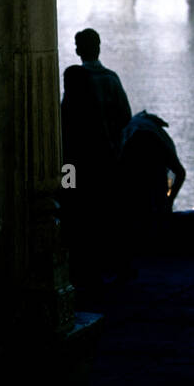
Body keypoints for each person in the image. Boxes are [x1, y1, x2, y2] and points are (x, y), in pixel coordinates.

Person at [60, 29, 132, 284]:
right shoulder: (110, 79)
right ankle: (112, 266)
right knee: (108, 212)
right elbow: (125, 117)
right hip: (108, 156)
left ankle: (87, 268)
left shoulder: (75, 79)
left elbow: (66, 121)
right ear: (99, 48)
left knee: (84, 213)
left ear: (79, 50)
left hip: (81, 160)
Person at [118, 110, 186, 260]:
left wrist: (169, 201)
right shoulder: (127, 144)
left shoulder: (158, 142)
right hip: (135, 166)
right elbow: (179, 173)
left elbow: (179, 173)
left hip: (149, 165)